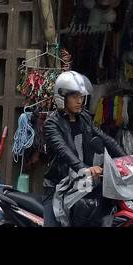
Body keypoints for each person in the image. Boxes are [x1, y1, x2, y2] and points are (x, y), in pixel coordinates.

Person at [42, 70, 125, 225]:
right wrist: (85, 168)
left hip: (81, 184)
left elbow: (104, 138)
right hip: (58, 188)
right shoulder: (52, 123)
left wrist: (126, 158)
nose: (79, 101)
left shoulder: (84, 117)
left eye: (81, 96)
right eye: (74, 96)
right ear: (62, 97)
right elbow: (63, 151)